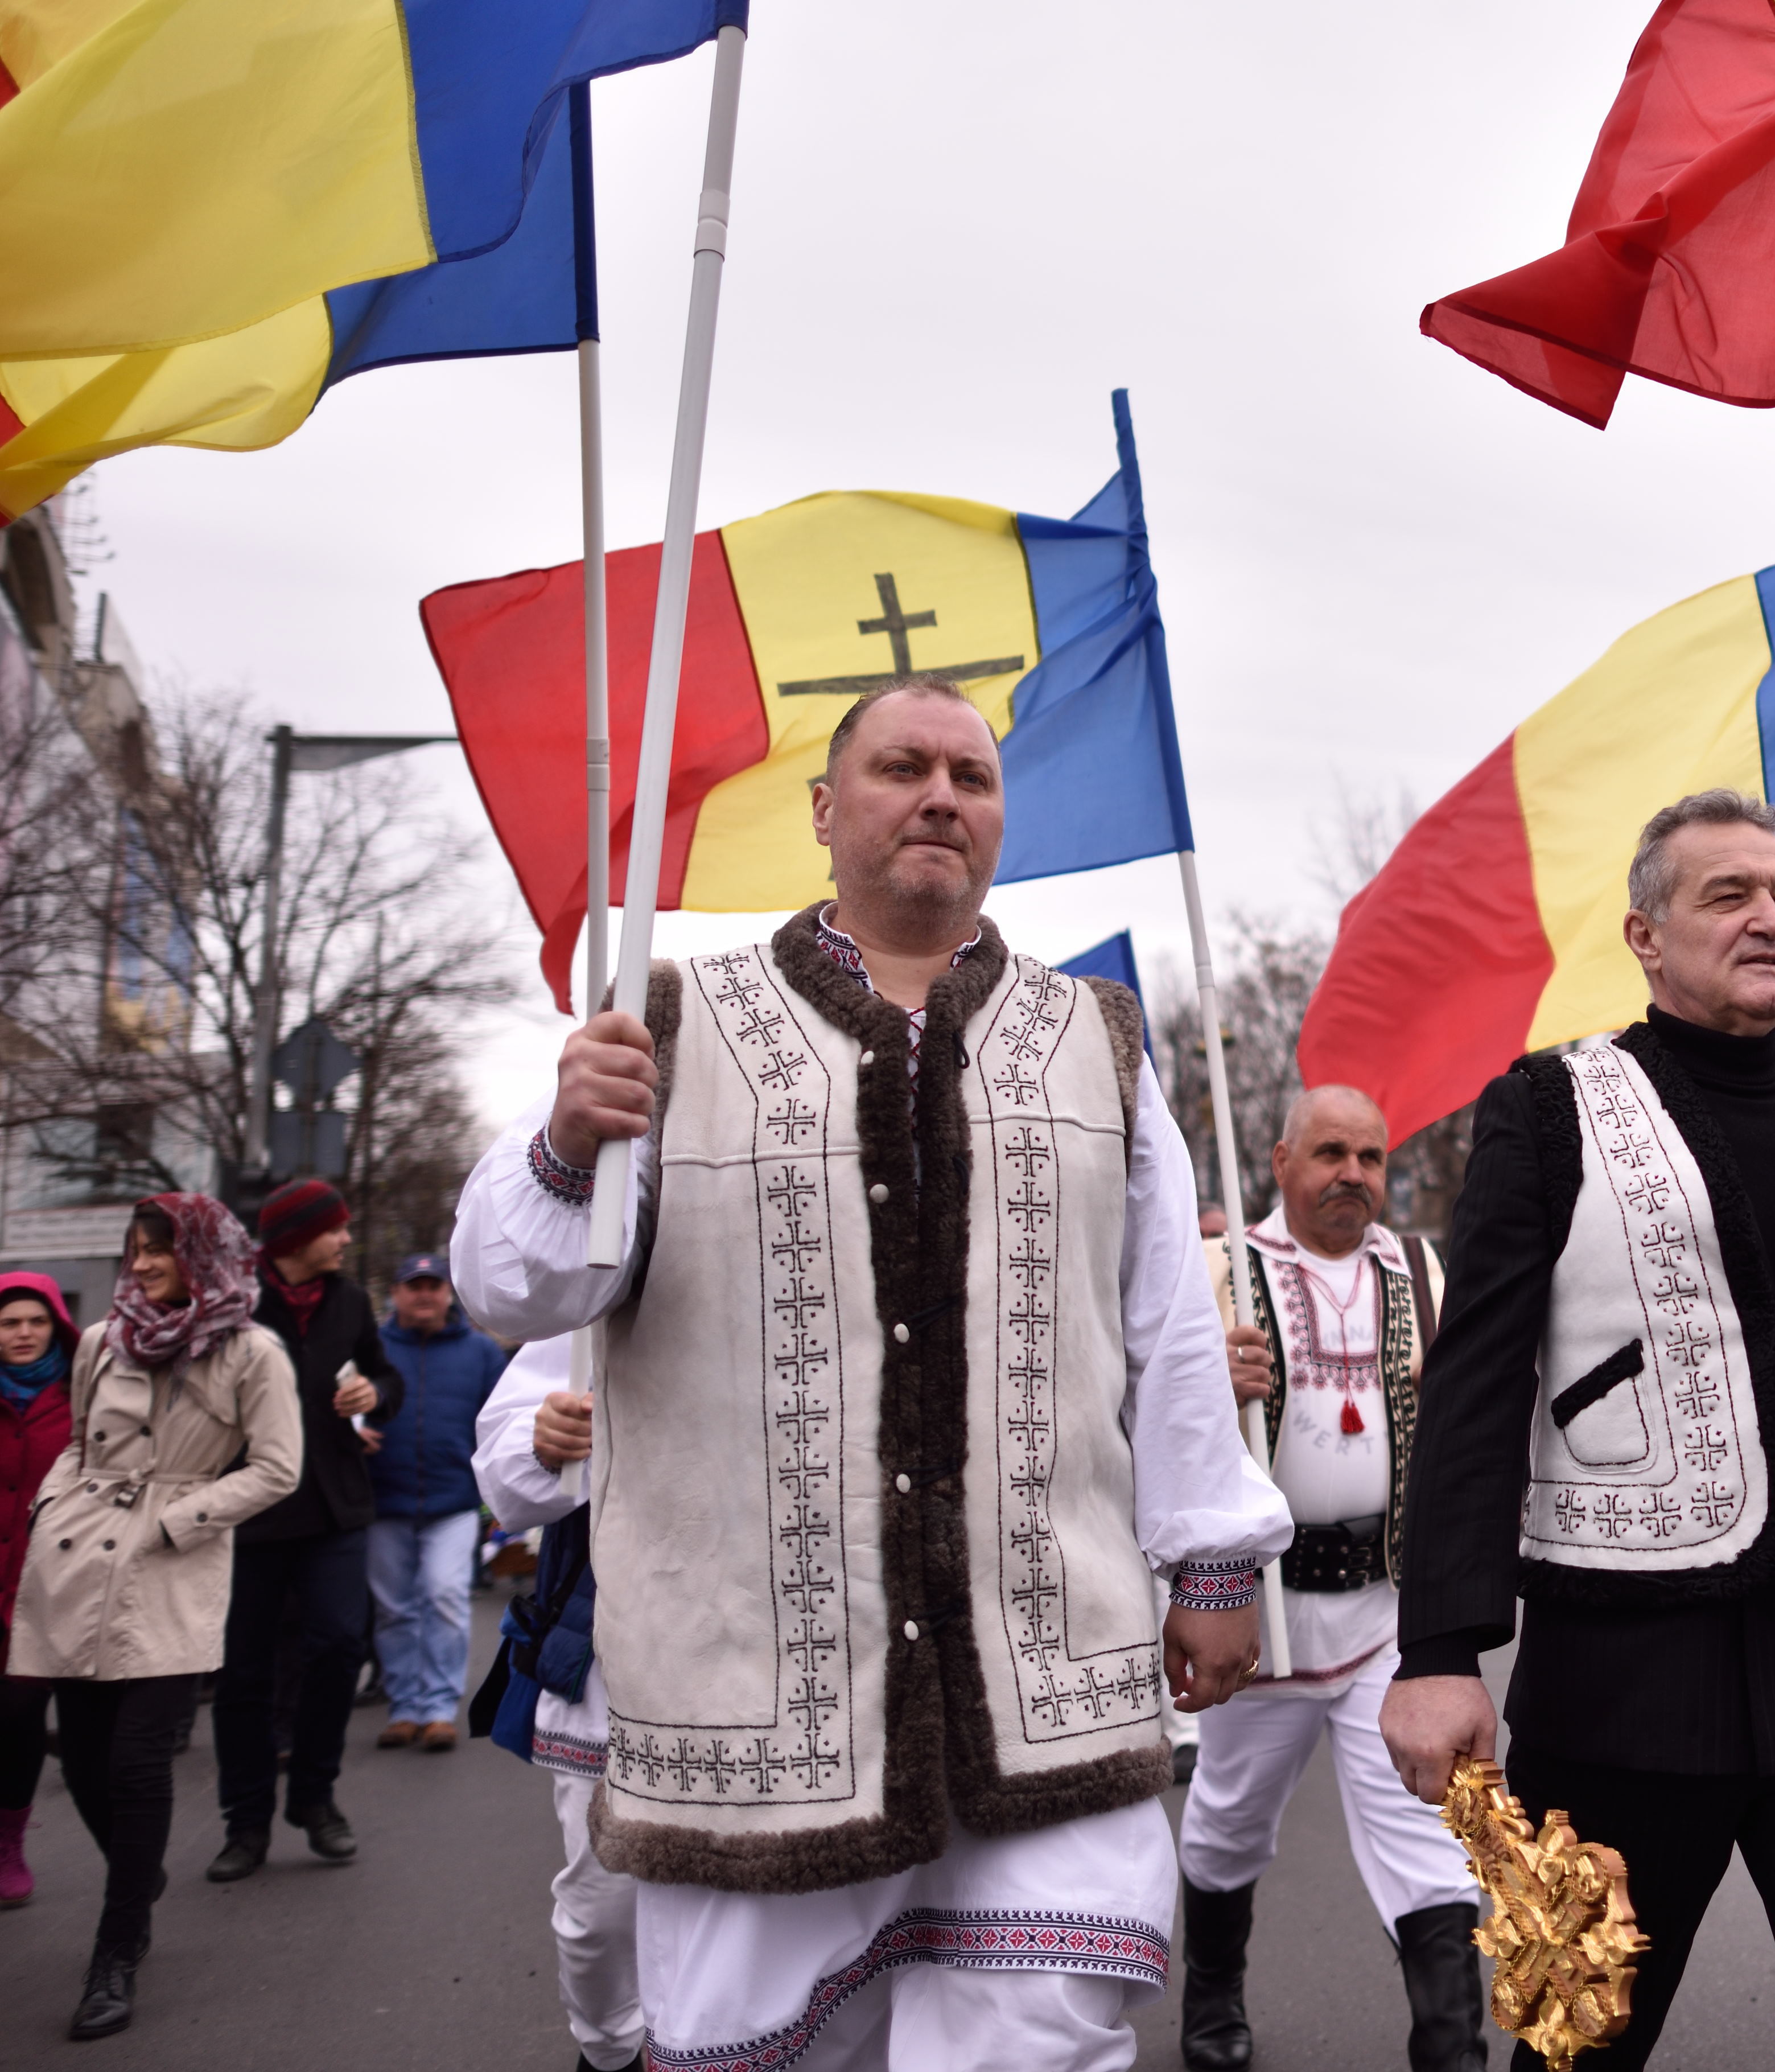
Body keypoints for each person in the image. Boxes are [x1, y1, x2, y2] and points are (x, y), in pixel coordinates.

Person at [451, 673, 1290, 2071]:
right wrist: (562, 1141)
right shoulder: (670, 1021)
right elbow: (518, 1287)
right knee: (770, 2043)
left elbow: (1171, 1326)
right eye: (905, 766)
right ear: (827, 808)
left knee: (1043, 2035)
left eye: (973, 775)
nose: (943, 796)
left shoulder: (1100, 1038)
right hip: (756, 1689)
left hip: (1045, 1674)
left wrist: (1211, 1558)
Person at [1379, 791, 1775, 2072]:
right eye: (1727, 895)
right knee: (1576, 2047)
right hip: (1619, 1689)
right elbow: (1473, 1385)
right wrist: (1437, 1647)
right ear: (1644, 933)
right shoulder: (1548, 1106)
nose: (1767, 918)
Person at [1174, 1083, 1484, 2072]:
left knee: (1427, 1836)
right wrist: (1200, 1384)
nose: (1354, 1174)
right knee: (1227, 1824)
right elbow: (1128, 1414)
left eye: (1371, 1157)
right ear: (1280, 1163)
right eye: (1331, 1153)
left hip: (1383, 1618)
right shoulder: (1215, 1271)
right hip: (1260, 1614)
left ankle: (1453, 2050)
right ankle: (1213, 1997)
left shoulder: (1423, 1270)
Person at [10, 1197, 300, 2038]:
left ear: (201, 1255)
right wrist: (52, 1503)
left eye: (156, 1253)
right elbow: (76, 1442)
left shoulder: (252, 1351)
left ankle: (118, 1948)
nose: (137, 1267)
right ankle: (137, 1879)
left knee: (138, 1762)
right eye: (132, 1252)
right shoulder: (103, 1341)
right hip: (70, 1557)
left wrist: (179, 1522)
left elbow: (278, 1469)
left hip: (172, 1567)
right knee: (89, 1761)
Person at [208, 1177, 400, 1883]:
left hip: (334, 1504)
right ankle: (246, 1821)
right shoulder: (237, 1299)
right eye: (335, 1227)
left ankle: (316, 1800)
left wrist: (374, 1394)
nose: (346, 1238)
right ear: (294, 1237)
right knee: (244, 1672)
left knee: (338, 1646)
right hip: (250, 1508)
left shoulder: (349, 1300)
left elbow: (385, 1374)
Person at [472, 1331, 645, 2072]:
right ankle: (608, 2054)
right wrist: (542, 1442)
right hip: (620, 1666)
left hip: (799, 1672)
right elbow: (505, 1484)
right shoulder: (601, 1302)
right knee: (603, 1914)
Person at [365, 1250, 499, 1750]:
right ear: (396, 1294)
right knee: (394, 1609)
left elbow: (497, 1425)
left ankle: (439, 1708)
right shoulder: (372, 1350)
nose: (424, 1295)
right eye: (413, 1286)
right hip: (383, 1501)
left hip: (454, 1502)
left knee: (444, 1598)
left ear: (448, 1293)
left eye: (433, 1286)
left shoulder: (481, 1353)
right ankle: (404, 1708)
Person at [0, 1272, 78, 1913]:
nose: (22, 1333)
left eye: (35, 1321)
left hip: (49, 1587)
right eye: (8, 1323)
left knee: (20, 1718)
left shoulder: (82, 1395)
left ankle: (9, 1841)